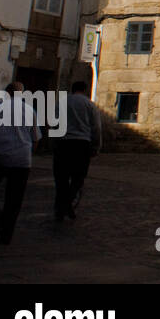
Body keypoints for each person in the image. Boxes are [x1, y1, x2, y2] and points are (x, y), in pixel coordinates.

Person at [0, 82, 43, 245]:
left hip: (0, 157)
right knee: (14, 199)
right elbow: (36, 138)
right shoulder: (30, 111)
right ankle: (6, 233)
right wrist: (28, 153)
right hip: (22, 160)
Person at [52, 80, 101, 221]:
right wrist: (96, 147)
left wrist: (54, 142)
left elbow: (54, 123)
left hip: (63, 143)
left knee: (61, 178)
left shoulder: (62, 102)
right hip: (81, 144)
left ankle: (62, 207)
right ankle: (67, 205)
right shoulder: (89, 105)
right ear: (85, 90)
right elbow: (96, 128)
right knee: (78, 178)